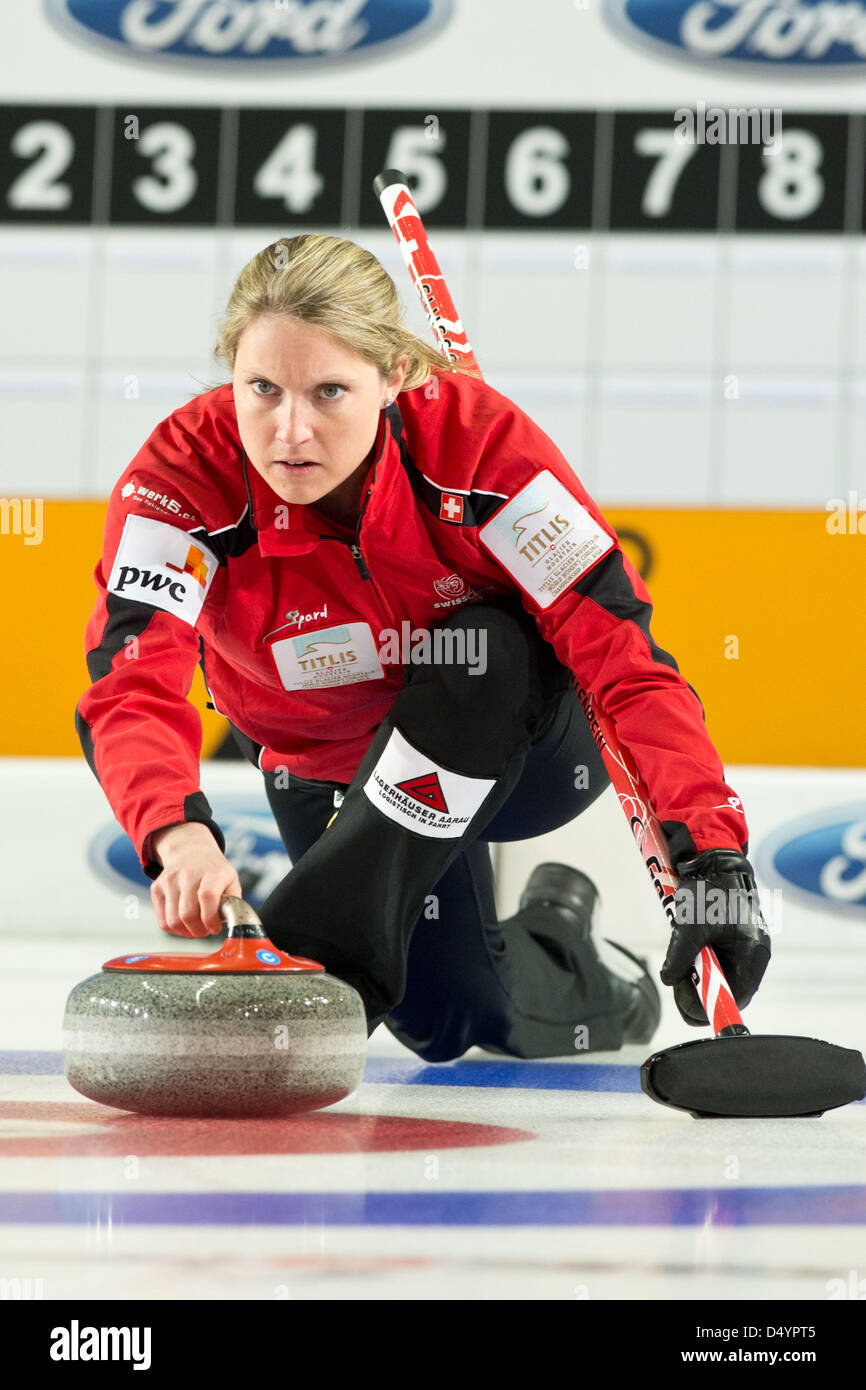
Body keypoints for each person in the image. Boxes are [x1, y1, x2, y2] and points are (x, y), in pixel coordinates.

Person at [75, 233, 770, 1063]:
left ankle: (307, 958)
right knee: (448, 1020)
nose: (289, 431)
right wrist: (174, 831)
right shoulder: (183, 476)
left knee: (483, 649)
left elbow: (624, 658)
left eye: (330, 392)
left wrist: (714, 859)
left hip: (519, 750)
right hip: (330, 765)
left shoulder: (484, 451)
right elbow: (130, 683)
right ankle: (571, 949)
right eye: (261, 389)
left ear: (394, 376)